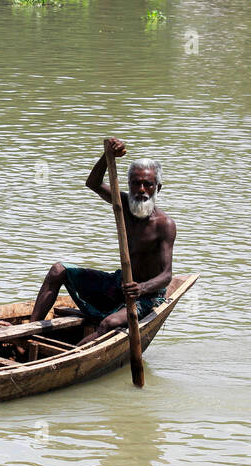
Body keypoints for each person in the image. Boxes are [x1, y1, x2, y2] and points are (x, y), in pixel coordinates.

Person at [30, 138, 176, 345]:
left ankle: (72, 358)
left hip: (147, 296)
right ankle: (30, 329)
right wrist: (107, 157)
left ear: (157, 188)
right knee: (58, 270)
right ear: (129, 186)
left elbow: (166, 276)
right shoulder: (123, 203)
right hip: (119, 284)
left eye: (148, 185)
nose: (141, 190)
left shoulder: (164, 224)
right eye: (136, 183)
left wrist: (141, 289)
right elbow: (93, 183)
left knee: (108, 324)